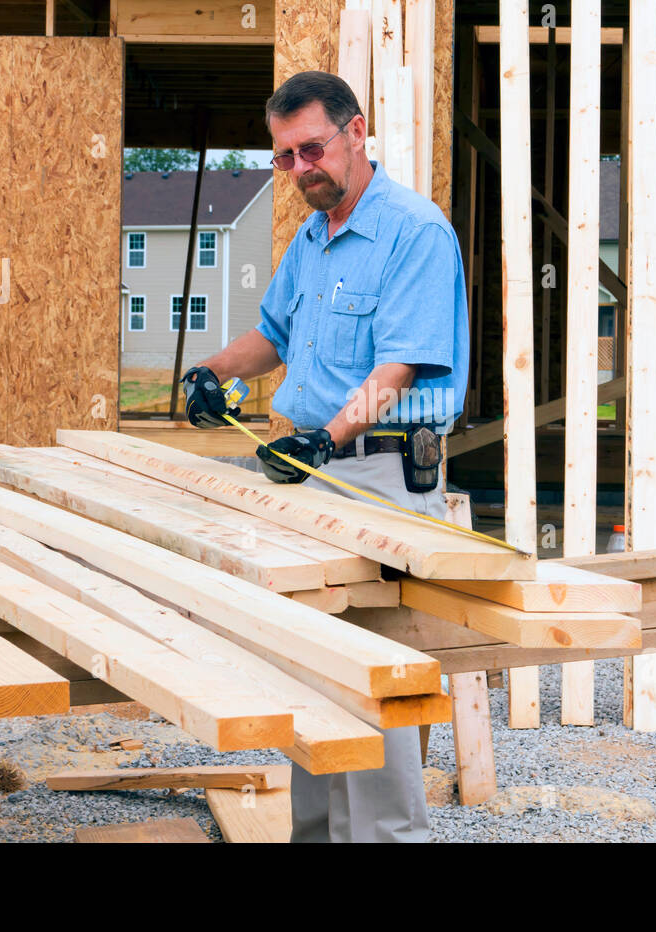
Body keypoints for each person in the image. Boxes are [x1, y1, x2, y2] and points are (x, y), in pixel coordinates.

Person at [179, 69, 469, 843]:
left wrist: (326, 437)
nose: (302, 169)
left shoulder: (415, 231)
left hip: (376, 473)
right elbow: (270, 338)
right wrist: (212, 370)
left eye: (312, 149)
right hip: (312, 472)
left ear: (356, 132)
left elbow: (400, 366)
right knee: (309, 666)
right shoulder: (312, 240)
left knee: (374, 675)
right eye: (285, 158)